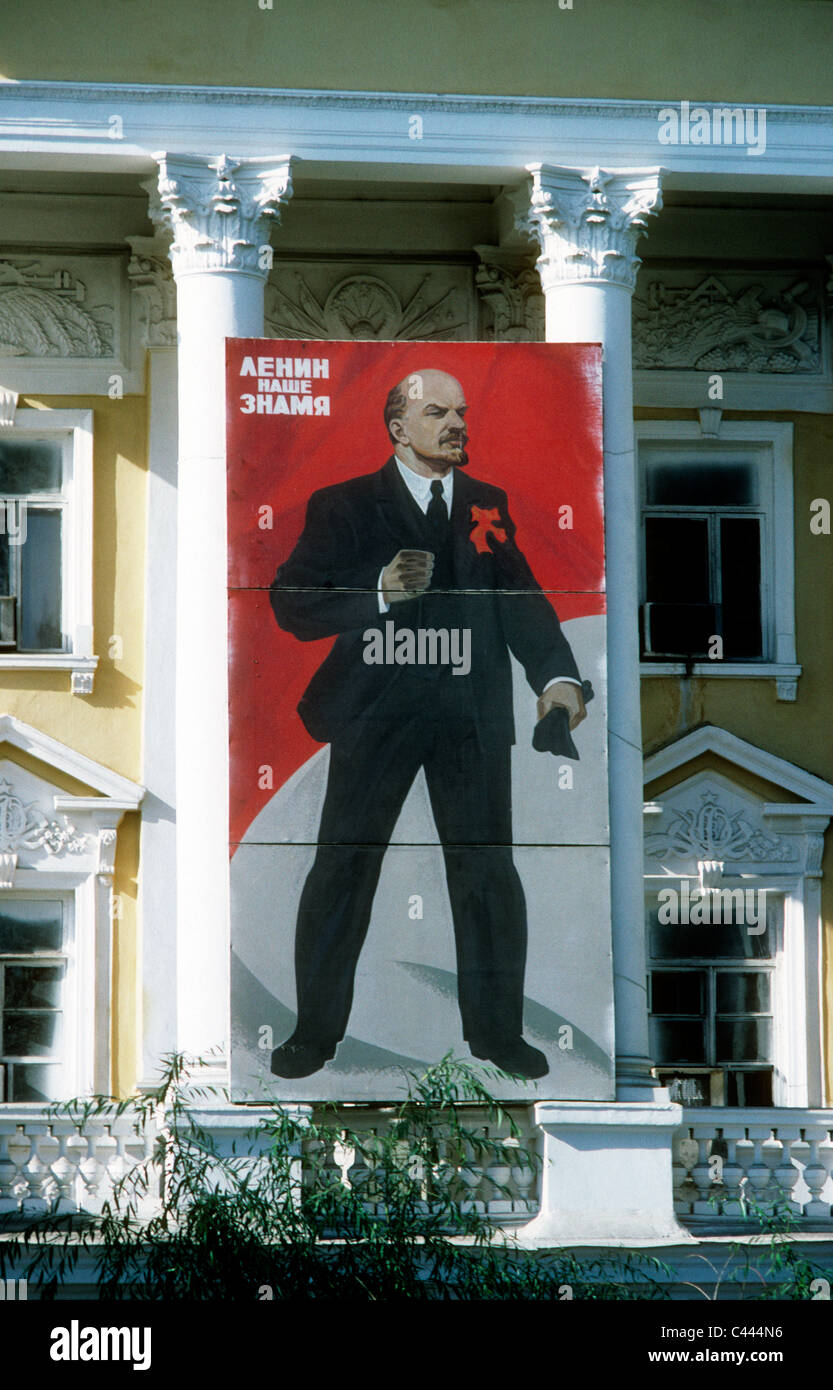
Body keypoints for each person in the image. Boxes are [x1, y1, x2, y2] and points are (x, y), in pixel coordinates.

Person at [268, 368, 586, 1079]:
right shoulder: (345, 504)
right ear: (397, 428)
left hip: (469, 719)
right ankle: (314, 1034)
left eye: (461, 411)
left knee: (485, 871)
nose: (455, 425)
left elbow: (522, 598)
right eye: (437, 412)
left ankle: (497, 1034)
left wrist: (556, 679)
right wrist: (376, 591)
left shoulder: (484, 505)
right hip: (372, 711)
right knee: (344, 868)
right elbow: (290, 601)